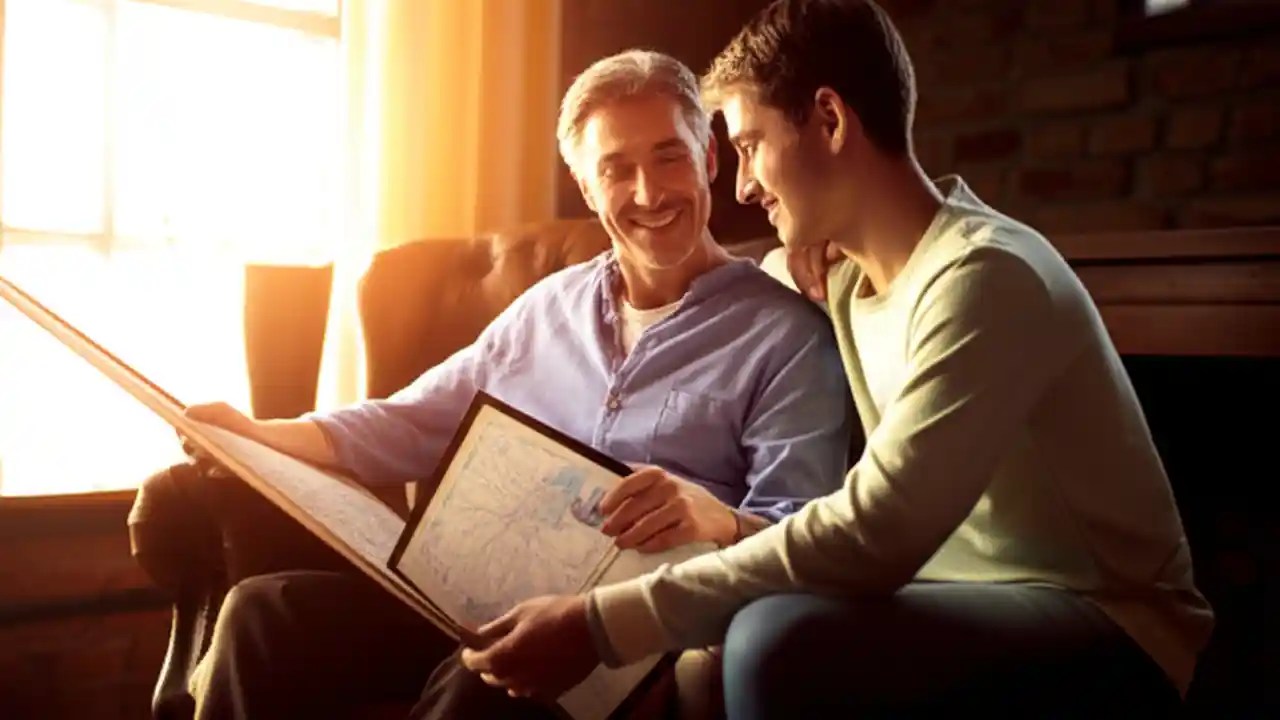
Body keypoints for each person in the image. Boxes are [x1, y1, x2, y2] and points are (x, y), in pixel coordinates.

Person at [459, 2, 1215, 717]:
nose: (745, 184)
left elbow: (873, 533)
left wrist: (600, 623)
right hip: (947, 596)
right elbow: (745, 289)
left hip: (1111, 625)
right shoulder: (843, 270)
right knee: (742, 636)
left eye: (750, 145)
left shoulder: (988, 277)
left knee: (773, 639)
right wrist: (801, 248)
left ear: (828, 119)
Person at [127, 48, 852, 720]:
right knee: (263, 611)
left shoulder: (786, 334)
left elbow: (807, 535)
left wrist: (713, 516)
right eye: (616, 168)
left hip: (624, 639)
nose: (648, 191)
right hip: (469, 597)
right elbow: (409, 421)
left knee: (485, 676)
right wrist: (256, 436)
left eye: (669, 157)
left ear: (709, 157)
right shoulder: (546, 308)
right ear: (584, 184)